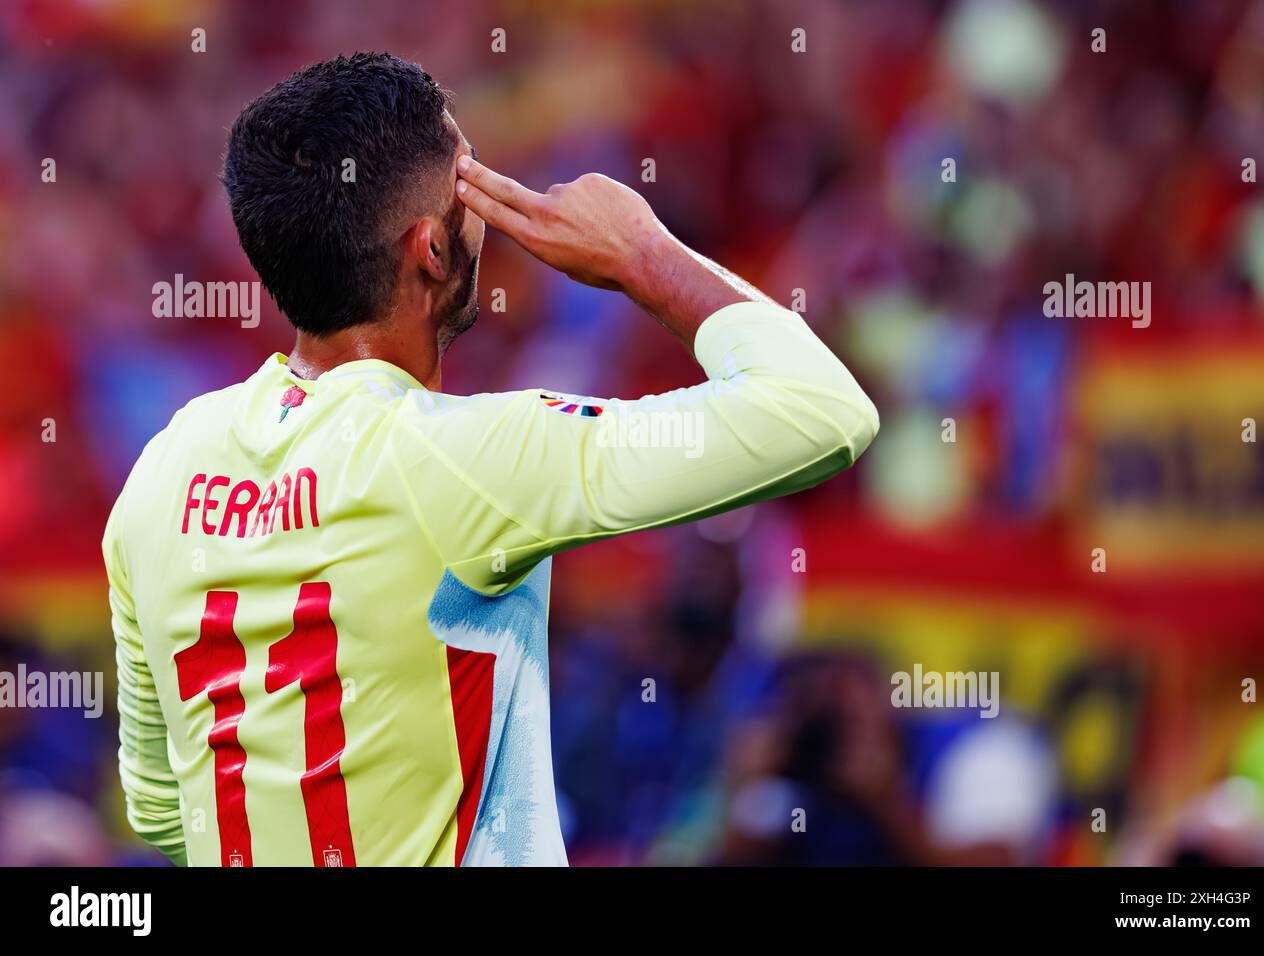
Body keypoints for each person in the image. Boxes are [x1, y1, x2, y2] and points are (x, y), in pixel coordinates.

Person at [102, 52, 878, 867]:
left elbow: (162, 806)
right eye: (471, 180)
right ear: (431, 250)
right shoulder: (470, 458)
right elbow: (822, 411)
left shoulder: (162, 469)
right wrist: (643, 256)